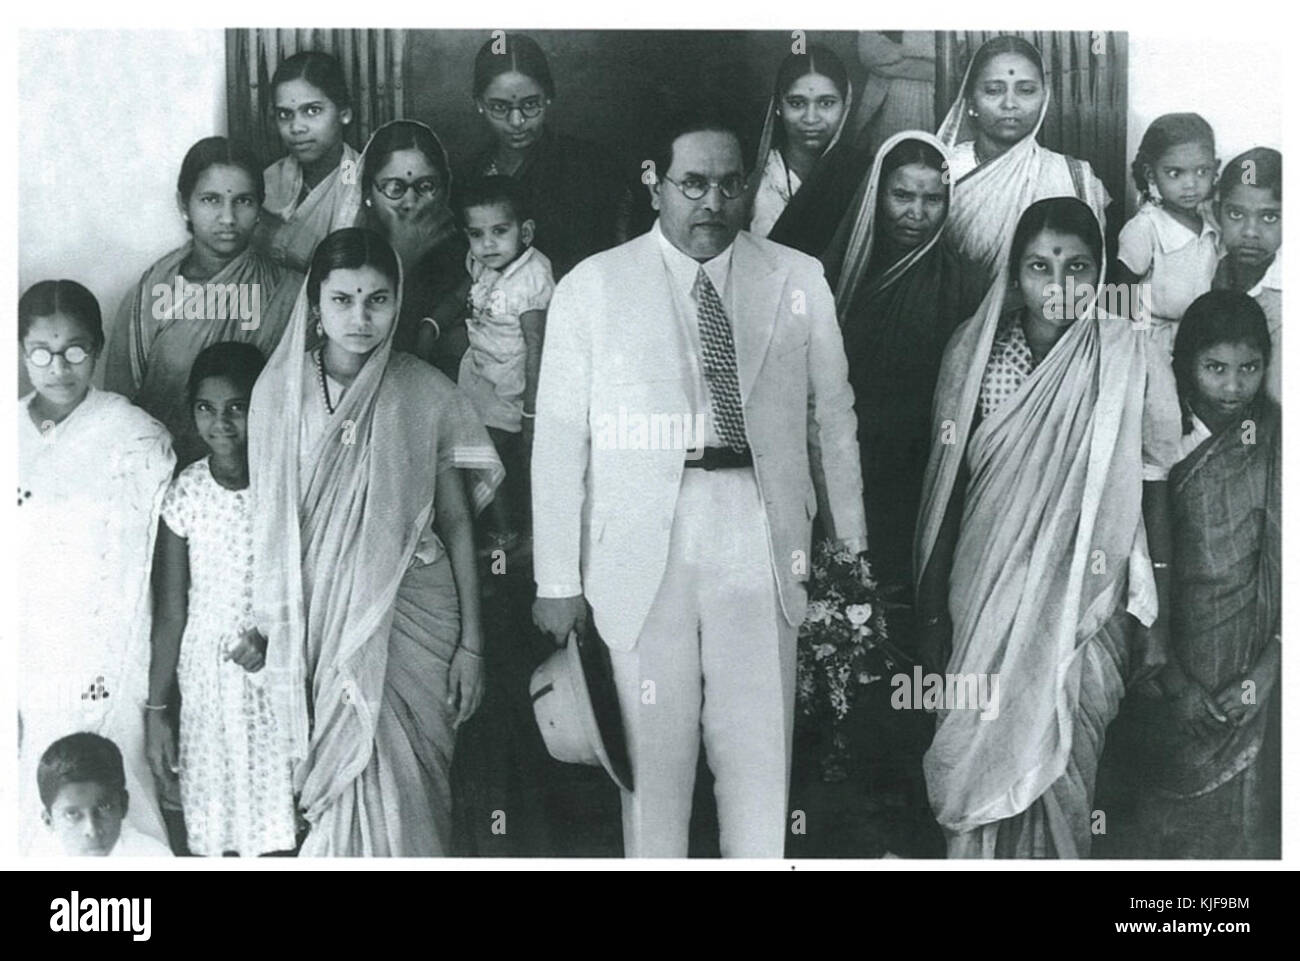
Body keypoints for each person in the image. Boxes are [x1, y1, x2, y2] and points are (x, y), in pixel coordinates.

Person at [531, 109, 867, 858]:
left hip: (761, 532)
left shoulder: (797, 277)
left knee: (757, 759)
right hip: (642, 543)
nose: (712, 202)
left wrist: (850, 555)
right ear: (655, 185)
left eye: (728, 183)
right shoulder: (593, 286)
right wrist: (557, 577)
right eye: (692, 183)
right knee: (653, 765)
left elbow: (833, 422)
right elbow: (558, 438)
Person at [914, 198, 1177, 858]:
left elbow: (1153, 479)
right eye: (1039, 266)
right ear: (1014, 273)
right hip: (984, 586)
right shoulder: (973, 355)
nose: (1058, 285)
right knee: (975, 743)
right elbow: (948, 486)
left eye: (1077, 266)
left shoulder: (1127, 351)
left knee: (1069, 747)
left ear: (1101, 273)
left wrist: (1159, 611)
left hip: (1084, 600)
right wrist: (930, 608)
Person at [248, 227, 504, 856]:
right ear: (315, 305)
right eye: (342, 300)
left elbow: (457, 520)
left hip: (414, 616)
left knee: (408, 787)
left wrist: (473, 645)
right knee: (334, 789)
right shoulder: (277, 396)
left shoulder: (423, 391)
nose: (360, 318)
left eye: (377, 299)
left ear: (398, 300)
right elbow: (269, 529)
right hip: (320, 621)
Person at [18, 280, 175, 855]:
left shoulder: (135, 437)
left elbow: (144, 572)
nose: (58, 367)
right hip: (33, 652)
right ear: (19, 349)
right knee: (34, 788)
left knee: (117, 792)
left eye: (75, 350)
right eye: (41, 351)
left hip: (112, 649)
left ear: (100, 348)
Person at [1124, 291, 1280, 858]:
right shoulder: (1156, 440)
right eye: (1215, 368)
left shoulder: (1274, 438)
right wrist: (1172, 682)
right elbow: (1130, 566)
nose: (1234, 387)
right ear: (1186, 366)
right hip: (1165, 661)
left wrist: (1265, 671)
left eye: (1249, 369)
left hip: (1246, 669)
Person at [144, 342, 298, 857]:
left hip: (280, 670)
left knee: (283, 817)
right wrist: (157, 708)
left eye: (238, 407)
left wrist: (274, 636)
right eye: (207, 409)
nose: (222, 423)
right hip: (206, 674)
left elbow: (316, 582)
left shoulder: (290, 484)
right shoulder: (185, 493)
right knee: (217, 826)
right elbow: (170, 611)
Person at [104, 136, 300, 465]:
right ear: (184, 205)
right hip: (162, 474)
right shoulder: (151, 294)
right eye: (210, 200)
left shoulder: (290, 293)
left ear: (259, 208)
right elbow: (119, 410)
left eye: (243, 201)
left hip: (262, 474)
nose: (227, 217)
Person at [825, 131, 962, 594]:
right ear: (875, 194)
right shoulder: (837, 274)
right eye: (902, 195)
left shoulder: (960, 285)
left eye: (932, 199)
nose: (917, 214)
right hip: (841, 463)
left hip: (916, 473)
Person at [937, 36, 1111, 314]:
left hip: (1053, 327)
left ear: (1044, 97)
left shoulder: (1075, 175)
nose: (1010, 103)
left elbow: (1091, 272)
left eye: (1026, 90)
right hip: (954, 324)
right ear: (971, 101)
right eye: (994, 90)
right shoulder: (944, 170)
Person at [461, 32, 634, 281]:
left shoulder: (589, 167)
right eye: (499, 108)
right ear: (479, 103)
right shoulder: (469, 174)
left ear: (549, 97)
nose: (517, 121)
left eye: (531, 105)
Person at [454, 174, 554, 555]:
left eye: (499, 231)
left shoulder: (532, 276)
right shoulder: (483, 263)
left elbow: (537, 345)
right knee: (471, 451)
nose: (487, 244)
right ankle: (494, 529)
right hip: (480, 377)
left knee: (490, 456)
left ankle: (506, 534)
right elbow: (465, 292)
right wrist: (431, 324)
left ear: (525, 232)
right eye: (477, 234)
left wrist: (532, 410)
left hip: (512, 389)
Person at [356, 120, 470, 377]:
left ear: (444, 189)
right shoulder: (349, 254)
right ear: (368, 193)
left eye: (426, 186)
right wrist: (401, 259)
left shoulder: (471, 256)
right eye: (394, 188)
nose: (410, 201)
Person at [254, 51, 362, 273]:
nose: (296, 127)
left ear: (344, 113)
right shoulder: (268, 180)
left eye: (312, 111)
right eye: (285, 115)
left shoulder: (358, 178)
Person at [748, 44, 851, 241]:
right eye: (797, 103)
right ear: (778, 106)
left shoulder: (861, 177)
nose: (811, 118)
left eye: (826, 103)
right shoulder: (755, 179)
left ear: (845, 106)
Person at [1213, 147, 1282, 403]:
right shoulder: (1200, 258)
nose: (1250, 232)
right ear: (1216, 211)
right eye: (1236, 214)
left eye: (1270, 216)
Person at [32, 733, 173, 857]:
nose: (92, 830)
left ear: (123, 805)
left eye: (104, 807)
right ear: (49, 821)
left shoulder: (153, 856)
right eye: (72, 814)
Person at [855, 32, 937, 151]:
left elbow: (961, 54)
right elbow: (869, 50)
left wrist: (902, 50)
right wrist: (934, 62)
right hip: (892, 110)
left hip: (945, 104)